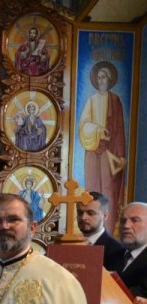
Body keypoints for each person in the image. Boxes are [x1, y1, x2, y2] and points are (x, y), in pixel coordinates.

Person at [78, 62, 127, 214]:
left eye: (103, 77)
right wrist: (98, 130)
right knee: (92, 188)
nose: (101, 81)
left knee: (108, 188)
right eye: (98, 78)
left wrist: (120, 155)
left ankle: (109, 226)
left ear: (109, 79)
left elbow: (119, 130)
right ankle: (90, 223)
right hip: (93, 149)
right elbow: (83, 125)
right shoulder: (91, 100)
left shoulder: (115, 100)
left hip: (109, 151)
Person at [76, 191, 126, 271]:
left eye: (90, 213)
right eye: (80, 213)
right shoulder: (70, 244)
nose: (83, 217)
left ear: (105, 216)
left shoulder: (117, 251)